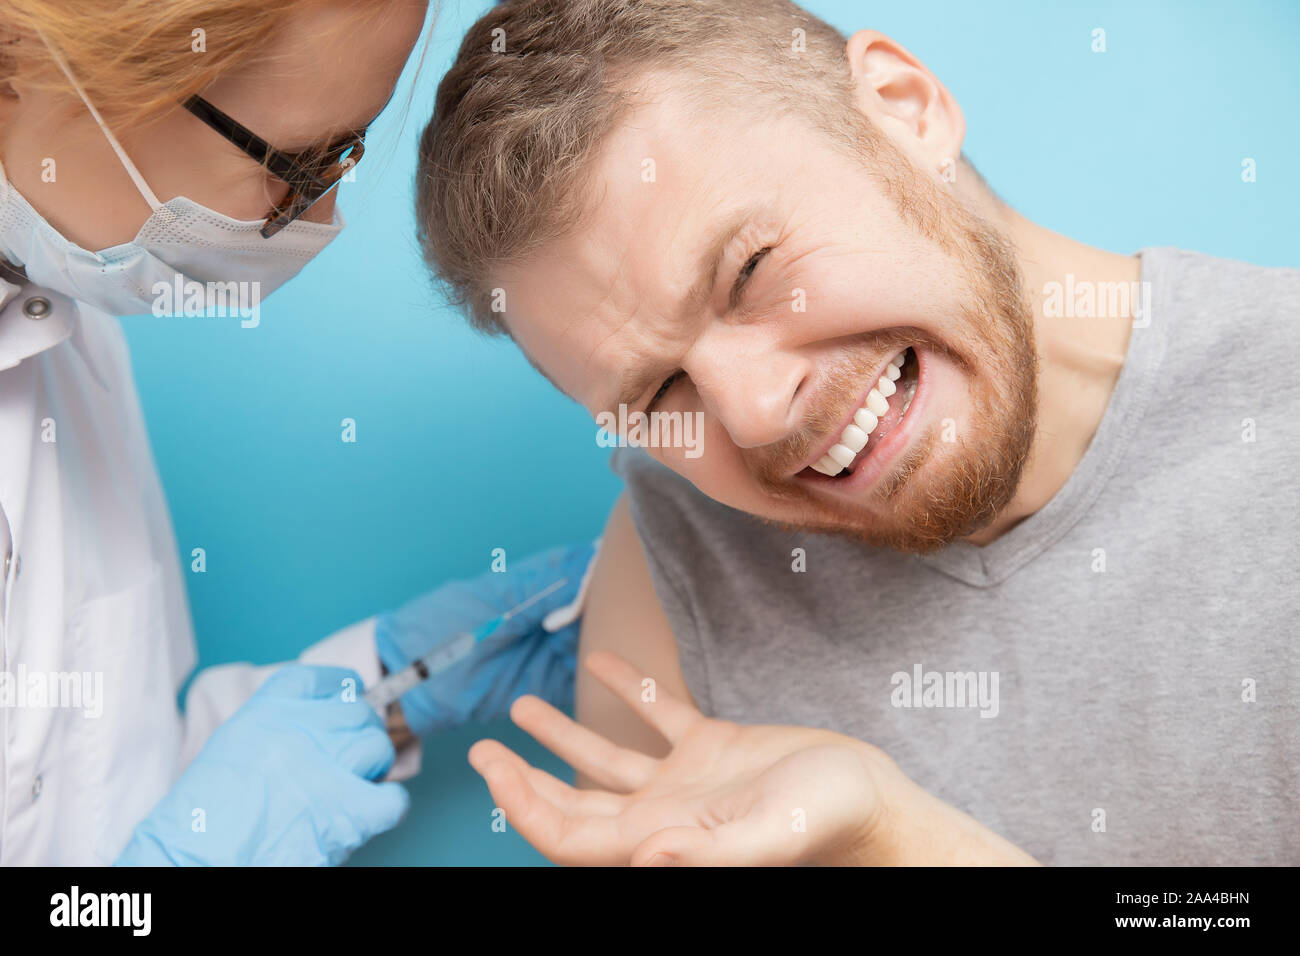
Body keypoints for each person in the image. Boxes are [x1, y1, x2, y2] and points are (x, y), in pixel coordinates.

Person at [414, 0, 1298, 864]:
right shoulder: (674, 571)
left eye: (751, 270)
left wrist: (893, 837)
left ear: (906, 111)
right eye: (658, 392)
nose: (755, 412)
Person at [0, 0, 589, 866]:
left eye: (345, 155)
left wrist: (384, 683)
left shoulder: (66, 333)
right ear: (25, 58)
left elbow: (83, 788)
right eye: (297, 163)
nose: (320, 222)